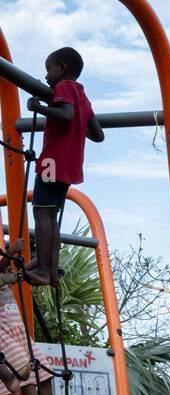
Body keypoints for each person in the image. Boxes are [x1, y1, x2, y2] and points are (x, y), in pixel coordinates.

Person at [25, 47, 103, 287]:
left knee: (41, 213)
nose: (47, 76)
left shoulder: (63, 88)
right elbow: (98, 134)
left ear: (62, 68)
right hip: (70, 165)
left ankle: (45, 269)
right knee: (51, 216)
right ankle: (49, 268)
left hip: (51, 161)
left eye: (48, 69)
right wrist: (79, 129)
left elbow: (66, 115)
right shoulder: (82, 95)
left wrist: (39, 108)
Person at [0, 261, 75, 395]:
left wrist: (44, 257)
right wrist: (11, 251)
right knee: (23, 372)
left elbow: (23, 269)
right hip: (4, 335)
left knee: (44, 371)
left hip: (20, 332)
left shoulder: (7, 281)